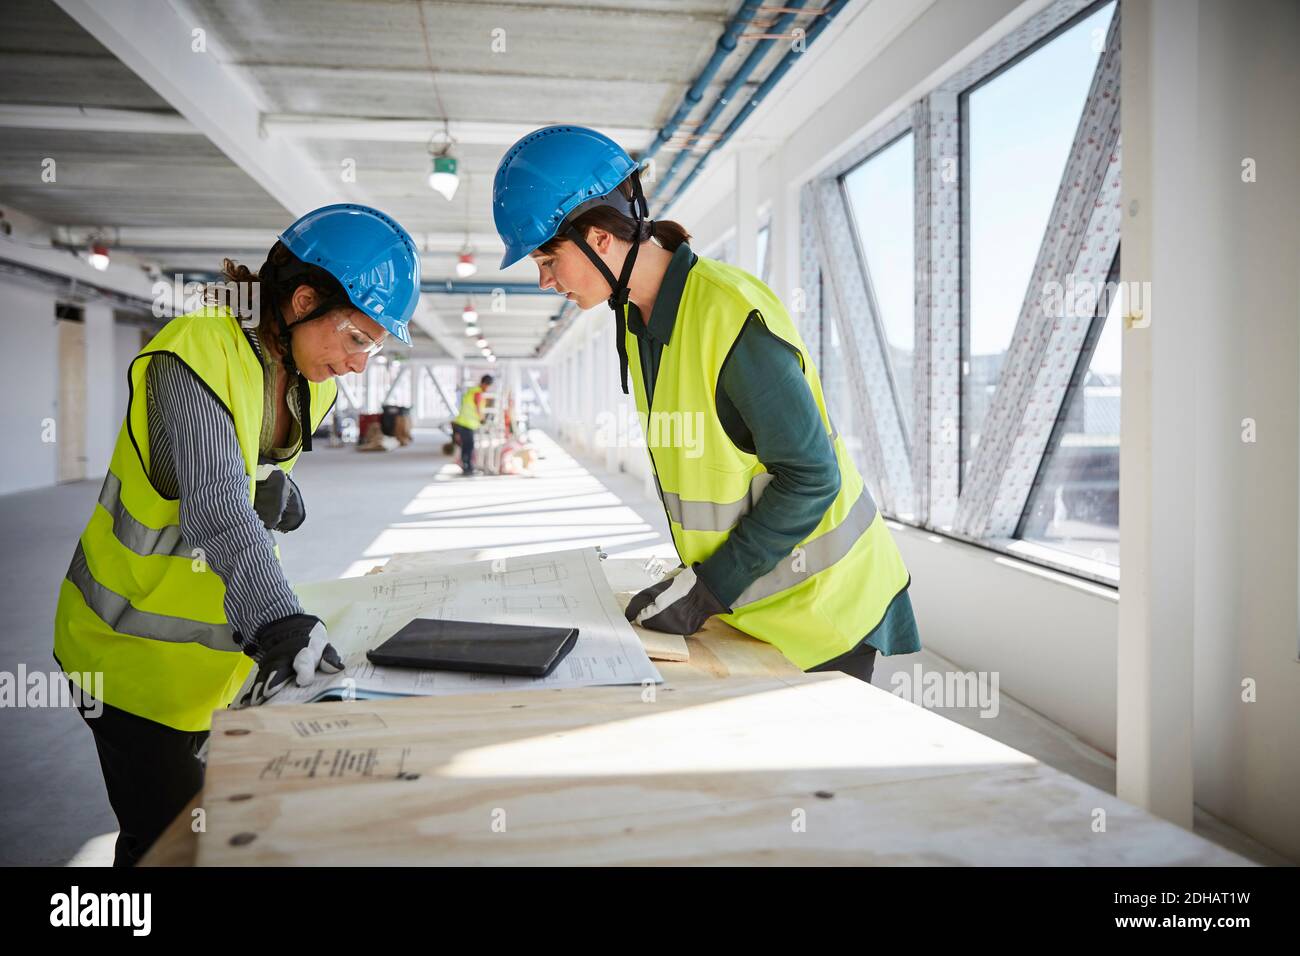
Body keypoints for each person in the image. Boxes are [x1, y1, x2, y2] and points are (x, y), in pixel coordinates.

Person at [52, 203, 421, 866]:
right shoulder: (195, 350)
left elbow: (244, 470)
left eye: (374, 346)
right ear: (303, 300)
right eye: (357, 339)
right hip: (127, 656)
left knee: (210, 828)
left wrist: (277, 488)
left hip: (213, 660)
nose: (360, 364)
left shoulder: (311, 378)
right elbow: (217, 509)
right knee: (172, 848)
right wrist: (283, 624)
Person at [492, 126, 920, 685]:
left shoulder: (728, 316)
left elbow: (812, 476)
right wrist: (703, 582)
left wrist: (710, 586)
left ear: (599, 239)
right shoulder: (635, 321)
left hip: (827, 609)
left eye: (548, 260)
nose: (546, 281)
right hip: (753, 604)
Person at [451, 374, 493, 475]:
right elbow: (478, 408)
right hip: (467, 423)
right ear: (485, 384)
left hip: (463, 422)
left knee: (466, 446)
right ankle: (467, 467)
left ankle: (467, 466)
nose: (488, 389)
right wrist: (482, 420)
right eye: (488, 386)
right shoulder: (477, 393)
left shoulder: (472, 391)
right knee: (469, 446)